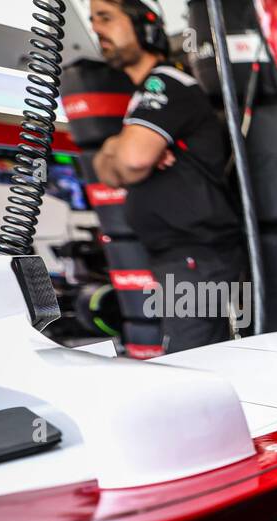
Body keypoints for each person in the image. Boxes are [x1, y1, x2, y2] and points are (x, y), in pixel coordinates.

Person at [88, 0, 245, 352]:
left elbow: (129, 162)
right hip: (181, 256)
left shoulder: (165, 83)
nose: (97, 29)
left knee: (192, 364)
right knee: (194, 359)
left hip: (198, 256)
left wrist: (123, 151)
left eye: (106, 17)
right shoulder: (142, 96)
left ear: (145, 26)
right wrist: (117, 144)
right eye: (92, 20)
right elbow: (106, 171)